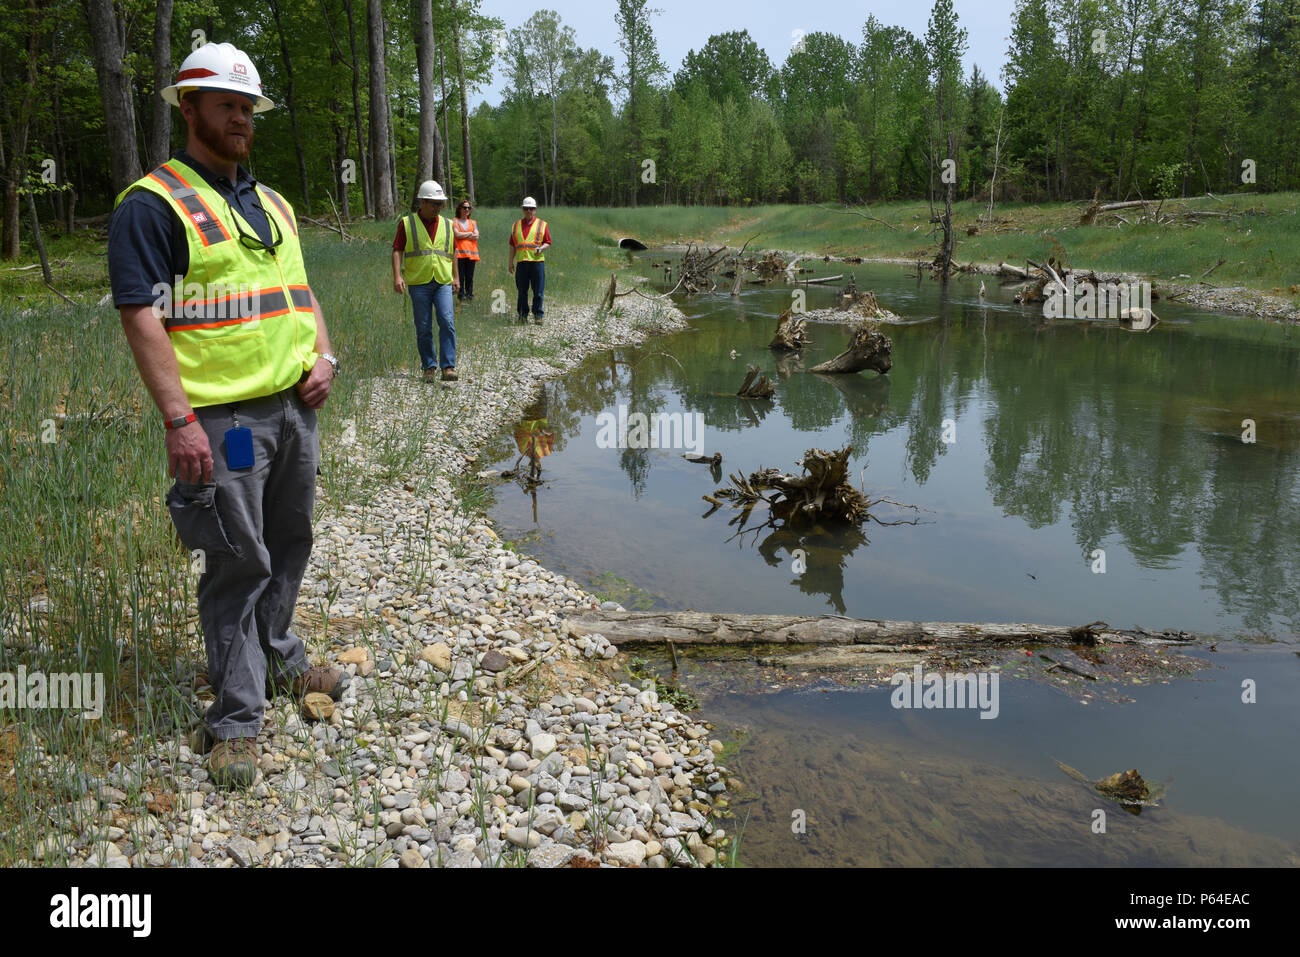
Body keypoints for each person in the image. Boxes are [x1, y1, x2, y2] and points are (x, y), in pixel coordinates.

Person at [107, 42, 345, 791]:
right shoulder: (152, 203)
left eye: (247, 108)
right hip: (224, 420)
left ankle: (279, 655)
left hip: (293, 409)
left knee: (290, 538)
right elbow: (141, 316)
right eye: (226, 105)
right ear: (190, 108)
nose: (240, 118)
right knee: (238, 560)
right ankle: (235, 719)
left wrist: (326, 356)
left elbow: (299, 293)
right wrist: (179, 420)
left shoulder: (270, 202)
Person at [393, 181, 459, 381]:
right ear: (422, 201)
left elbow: (453, 251)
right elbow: (397, 250)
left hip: (442, 281)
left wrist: (456, 277)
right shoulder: (407, 223)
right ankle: (428, 367)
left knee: (447, 321)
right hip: (418, 282)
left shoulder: (448, 225)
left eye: (441, 204)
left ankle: (448, 367)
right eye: (434, 203)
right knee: (423, 327)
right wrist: (397, 276)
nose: (438, 207)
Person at [508, 196, 550, 323]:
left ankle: (538, 315)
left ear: (535, 210)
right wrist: (510, 262)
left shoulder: (542, 225)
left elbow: (548, 242)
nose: (529, 211)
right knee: (522, 291)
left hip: (537, 263)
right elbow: (512, 245)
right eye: (526, 209)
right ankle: (522, 315)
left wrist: (541, 248)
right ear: (523, 209)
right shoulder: (515, 225)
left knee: (538, 291)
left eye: (531, 209)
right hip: (522, 263)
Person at [452, 200, 479, 302]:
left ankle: (469, 296)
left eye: (468, 208)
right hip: (459, 255)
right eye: (464, 207)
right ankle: (461, 296)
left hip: (471, 255)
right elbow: (457, 235)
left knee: (469, 277)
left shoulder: (473, 222)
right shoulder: (454, 221)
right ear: (460, 209)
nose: (467, 209)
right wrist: (469, 234)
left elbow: (476, 236)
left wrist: (464, 234)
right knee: (460, 276)